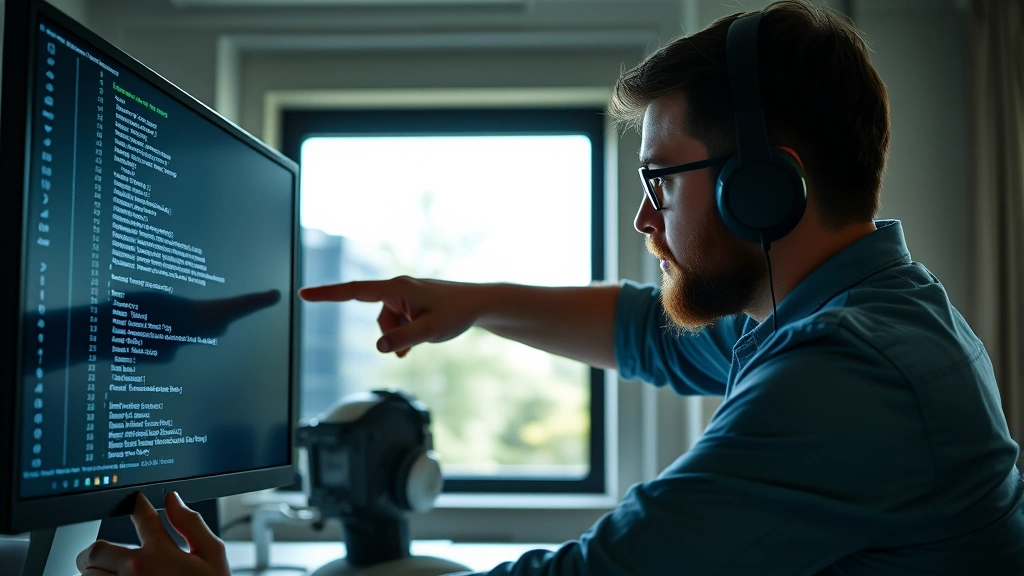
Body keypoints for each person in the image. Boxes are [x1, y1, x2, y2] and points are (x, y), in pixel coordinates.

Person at [75, 1, 1024, 574]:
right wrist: (477, 300)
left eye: (661, 179)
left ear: (762, 185)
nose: (646, 221)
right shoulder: (847, 310)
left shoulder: (849, 373)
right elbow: (650, 333)